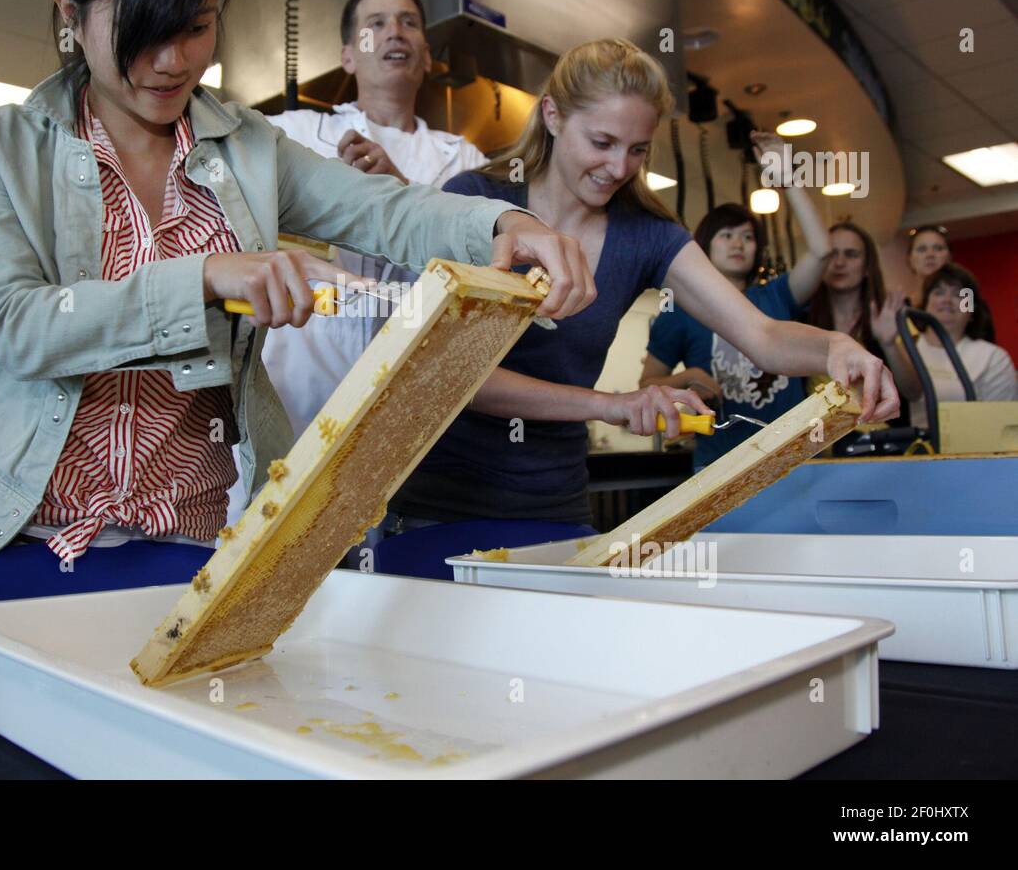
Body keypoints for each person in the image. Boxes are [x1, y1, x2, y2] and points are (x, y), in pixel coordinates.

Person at [0, 0, 594, 565]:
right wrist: (208, 276)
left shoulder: (248, 147)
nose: (172, 61)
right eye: (142, 30)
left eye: (196, 26)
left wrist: (498, 225)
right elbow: (17, 326)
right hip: (14, 528)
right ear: (70, 11)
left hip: (182, 535)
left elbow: (383, 208)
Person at [381, 39, 899, 573]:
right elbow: (452, 376)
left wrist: (835, 346)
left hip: (554, 513)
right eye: (602, 141)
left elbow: (763, 336)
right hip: (435, 509)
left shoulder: (646, 235)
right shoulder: (475, 201)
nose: (617, 167)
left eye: (637, 149)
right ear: (553, 116)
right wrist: (614, 404)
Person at [226, 0, 487, 525]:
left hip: (404, 415)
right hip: (294, 395)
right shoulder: (294, 134)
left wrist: (398, 195)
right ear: (348, 54)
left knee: (376, 572)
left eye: (409, 22)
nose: (395, 32)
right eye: (376, 24)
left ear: (427, 56)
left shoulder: (463, 161)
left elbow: (476, 289)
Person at [640, 131, 832, 470]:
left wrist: (789, 181)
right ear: (704, 246)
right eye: (726, 235)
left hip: (793, 459)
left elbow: (820, 252)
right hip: (719, 467)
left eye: (747, 237)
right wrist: (688, 377)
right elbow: (646, 385)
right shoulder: (681, 311)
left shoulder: (776, 296)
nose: (738, 243)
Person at [806, 221, 922, 405]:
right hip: (821, 431)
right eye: (832, 253)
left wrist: (889, 344)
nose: (839, 262)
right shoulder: (802, 317)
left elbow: (914, 391)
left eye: (851, 254)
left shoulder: (890, 314)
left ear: (868, 266)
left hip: (882, 431)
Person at [907, 263, 1015, 430]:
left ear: (971, 310)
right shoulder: (904, 350)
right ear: (925, 304)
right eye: (938, 292)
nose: (947, 300)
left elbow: (1001, 425)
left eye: (959, 295)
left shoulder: (992, 357)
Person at [906, 225, 951, 306]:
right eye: (922, 249)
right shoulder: (900, 308)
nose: (930, 255)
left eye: (938, 248)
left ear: (949, 257)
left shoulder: (966, 304)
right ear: (910, 260)